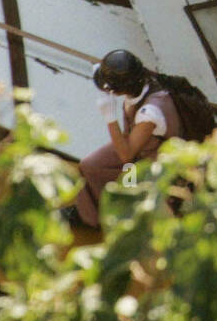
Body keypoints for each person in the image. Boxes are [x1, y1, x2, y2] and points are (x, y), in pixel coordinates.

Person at [73, 49, 182, 228]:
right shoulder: (139, 86)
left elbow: (127, 156)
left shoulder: (151, 112)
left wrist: (110, 117)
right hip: (138, 149)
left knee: (128, 183)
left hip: (150, 162)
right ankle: (92, 216)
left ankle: (119, 219)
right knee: (89, 166)